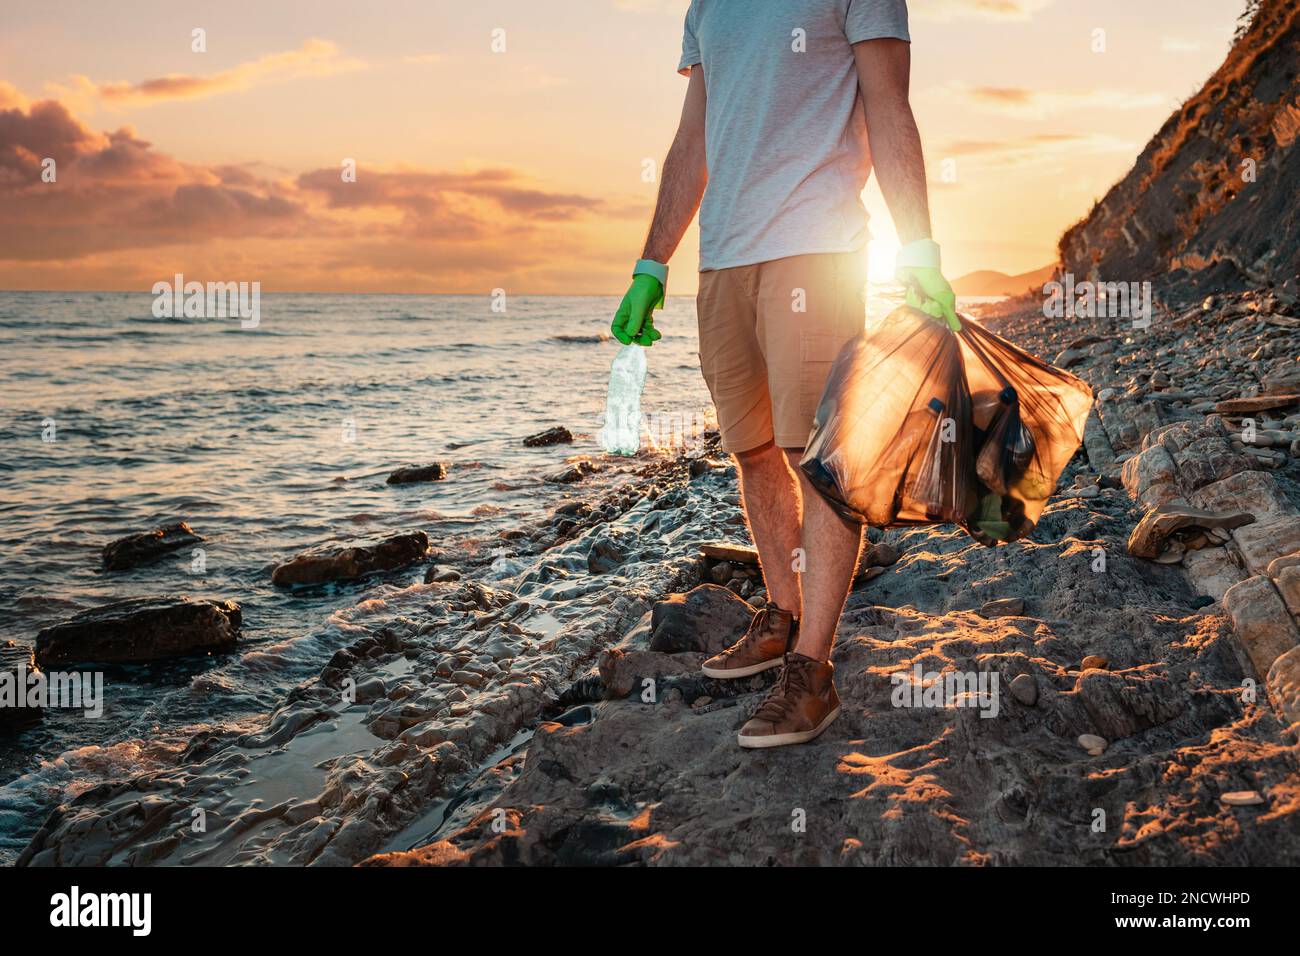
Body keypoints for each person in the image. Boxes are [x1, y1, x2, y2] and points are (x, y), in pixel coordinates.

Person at [610, 0, 957, 749]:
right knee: (754, 448)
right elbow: (691, 141)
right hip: (722, 256)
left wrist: (919, 246)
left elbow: (891, 108)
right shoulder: (709, 6)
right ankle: (780, 613)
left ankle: (813, 673)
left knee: (815, 457)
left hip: (818, 245)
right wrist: (651, 261)